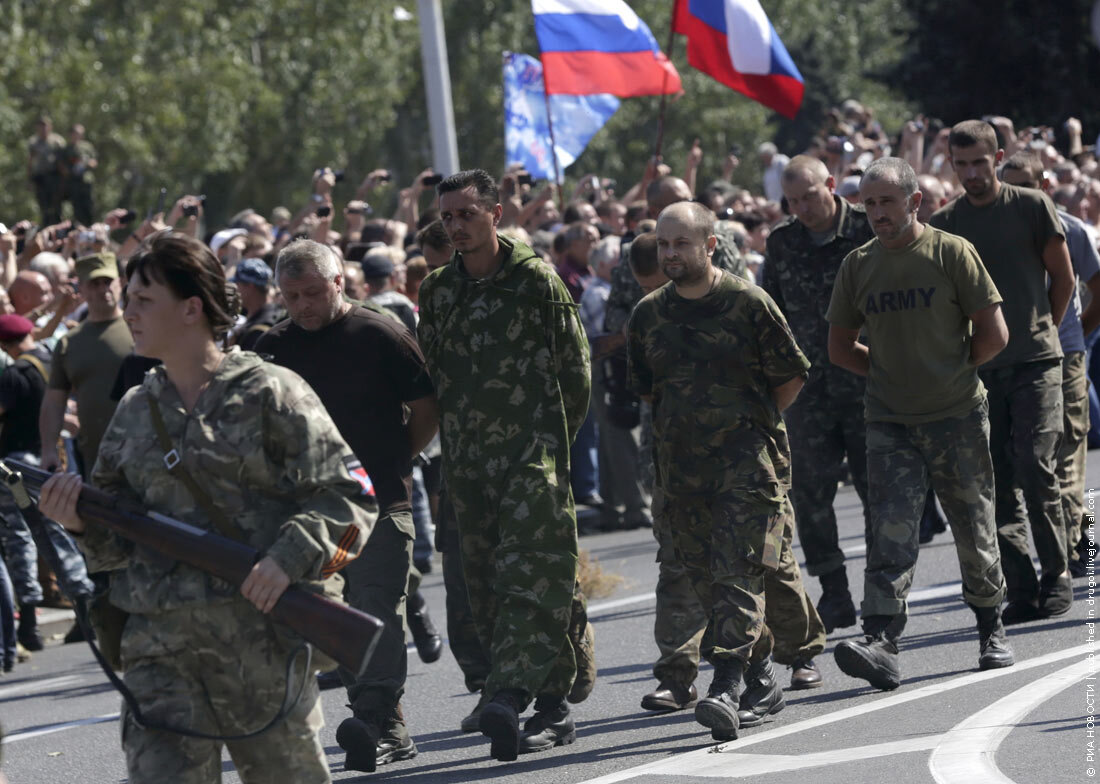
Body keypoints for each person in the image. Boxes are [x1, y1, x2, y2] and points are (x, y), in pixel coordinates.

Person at [38, 232, 377, 784]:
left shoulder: (271, 392)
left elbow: (348, 494)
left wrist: (286, 558)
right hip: (159, 659)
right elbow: (116, 542)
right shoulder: (133, 410)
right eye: (128, 298)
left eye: (144, 300)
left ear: (192, 308)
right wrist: (75, 519)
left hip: (260, 647)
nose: (129, 312)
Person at [418, 169, 593, 760]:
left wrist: (550, 449)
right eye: (447, 216)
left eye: (466, 213)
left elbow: (577, 373)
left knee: (532, 576)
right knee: (485, 586)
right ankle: (548, 703)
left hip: (531, 459)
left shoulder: (536, 281)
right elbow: (435, 377)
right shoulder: (437, 291)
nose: (456, 226)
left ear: (496, 213)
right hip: (467, 467)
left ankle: (514, 695)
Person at [828, 157, 1014, 691]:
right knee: (889, 531)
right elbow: (840, 348)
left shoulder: (951, 252)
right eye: (869, 204)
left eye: (888, 201)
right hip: (889, 420)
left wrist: (948, 373)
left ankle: (990, 627)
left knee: (973, 523)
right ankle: (882, 640)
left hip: (955, 414)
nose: (878, 213)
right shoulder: (858, 265)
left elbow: (994, 334)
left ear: (915, 202)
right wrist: (891, 373)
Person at [628, 201, 811, 741]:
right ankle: (760, 677)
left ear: (710, 245)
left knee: (738, 575)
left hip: (746, 469)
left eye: (681, 243)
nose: (670, 253)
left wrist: (747, 427)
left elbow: (790, 377)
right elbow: (648, 389)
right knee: (705, 580)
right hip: (681, 475)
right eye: (663, 244)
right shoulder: (648, 314)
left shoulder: (748, 303)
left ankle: (725, 686)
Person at [256, 239, 438, 773]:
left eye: (313, 291)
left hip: (381, 500)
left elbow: (426, 408)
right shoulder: (272, 347)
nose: (304, 305)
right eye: (292, 296)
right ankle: (383, 722)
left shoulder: (380, 334)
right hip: (313, 515)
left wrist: (396, 458)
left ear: (340, 282)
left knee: (374, 608)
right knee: (336, 616)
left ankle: (378, 722)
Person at [928, 120, 1075, 623]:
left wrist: (1041, 330)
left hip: (1036, 362)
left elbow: (1063, 278)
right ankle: (1023, 587)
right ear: (952, 164)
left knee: (1036, 466)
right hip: (983, 370)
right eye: (962, 164)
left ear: (998, 156)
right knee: (997, 482)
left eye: (980, 162)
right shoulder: (946, 223)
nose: (972, 173)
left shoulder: (1031, 205)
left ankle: (1057, 574)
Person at [762, 155, 875, 634]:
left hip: (867, 379)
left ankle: (882, 589)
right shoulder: (782, 243)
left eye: (810, 195)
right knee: (809, 496)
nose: (803, 207)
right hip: (809, 390)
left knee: (879, 490)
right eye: (792, 200)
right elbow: (773, 314)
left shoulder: (867, 232)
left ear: (831, 185)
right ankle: (834, 590)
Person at [1000, 152, 1100, 577]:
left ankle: (1078, 541)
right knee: (1034, 455)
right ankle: (1075, 535)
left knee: (1069, 447)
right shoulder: (996, 232)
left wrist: (1078, 335)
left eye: (1025, 184)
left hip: (1067, 352)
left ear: (1043, 186)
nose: (1017, 193)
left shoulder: (1070, 230)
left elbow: (1094, 288)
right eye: (1011, 184)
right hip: (1019, 359)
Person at [0, 313, 95, 653]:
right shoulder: (46, 363)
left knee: (20, 537)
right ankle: (83, 599)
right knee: (55, 531)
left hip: (16, 463)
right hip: (46, 462)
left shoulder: (15, 373)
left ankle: (28, 621)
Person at [40, 252, 133, 479]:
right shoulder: (69, 343)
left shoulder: (141, 329)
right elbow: (54, 401)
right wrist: (49, 449)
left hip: (147, 455)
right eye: (94, 283)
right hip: (96, 460)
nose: (103, 289)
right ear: (81, 288)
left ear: (120, 283)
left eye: (108, 281)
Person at [229, 258, 283, 351]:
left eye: (237, 284)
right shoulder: (277, 311)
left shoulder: (260, 329)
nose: (236, 290)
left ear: (250, 286)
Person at [27, 117, 65, 225]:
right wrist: (29, 180)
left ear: (50, 127)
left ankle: (58, 228)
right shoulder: (33, 142)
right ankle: (46, 227)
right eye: (41, 126)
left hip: (54, 177)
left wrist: (64, 179)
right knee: (43, 205)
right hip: (40, 177)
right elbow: (30, 161)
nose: (43, 129)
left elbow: (63, 161)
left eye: (45, 126)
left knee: (56, 205)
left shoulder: (57, 141)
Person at [62, 124, 97, 227]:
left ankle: (90, 229)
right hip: (74, 182)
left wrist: (86, 163)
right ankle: (79, 230)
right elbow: (62, 165)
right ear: (71, 134)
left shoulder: (87, 147)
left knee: (89, 207)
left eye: (80, 134)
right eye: (76, 133)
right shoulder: (67, 149)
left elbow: (94, 162)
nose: (78, 136)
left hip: (86, 181)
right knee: (77, 209)